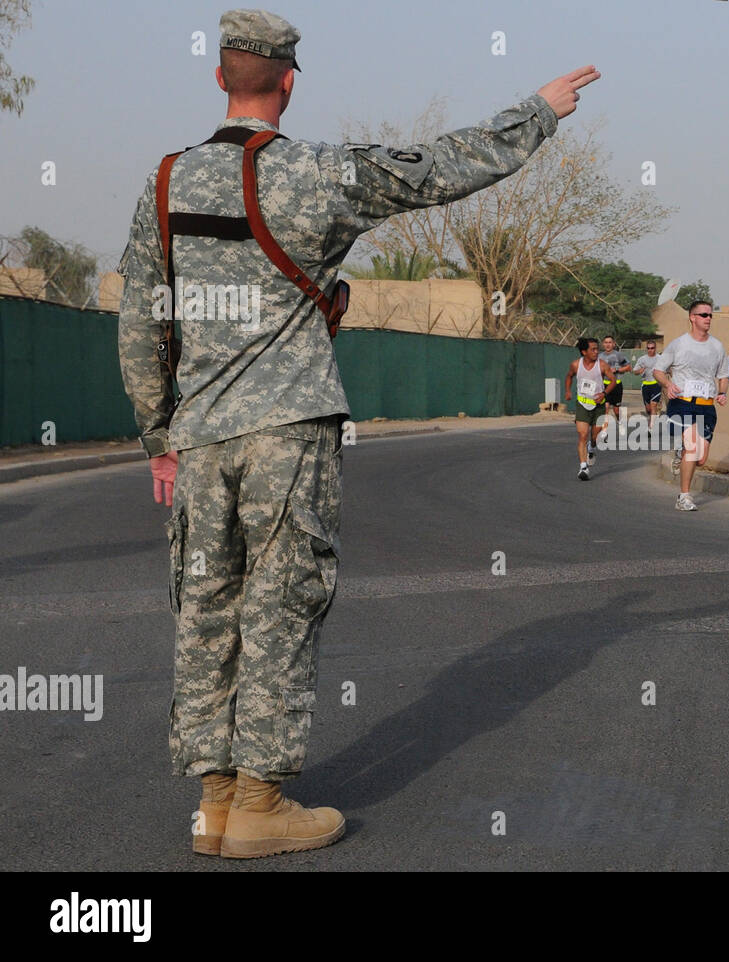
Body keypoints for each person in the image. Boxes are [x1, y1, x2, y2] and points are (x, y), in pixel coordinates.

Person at [117, 7, 598, 858]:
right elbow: (440, 168)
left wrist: (159, 436)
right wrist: (538, 109)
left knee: (205, 611)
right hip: (288, 428)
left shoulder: (164, 182)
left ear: (219, 78)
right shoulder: (321, 175)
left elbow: (141, 324)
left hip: (198, 437)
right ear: (289, 83)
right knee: (277, 606)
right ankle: (262, 805)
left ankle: (216, 806)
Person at [655, 301, 729, 511]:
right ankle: (684, 497)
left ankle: (680, 452)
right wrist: (668, 384)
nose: (708, 319)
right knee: (692, 448)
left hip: (706, 406)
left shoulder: (717, 346)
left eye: (710, 315)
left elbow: (723, 376)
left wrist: (722, 393)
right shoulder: (678, 344)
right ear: (692, 317)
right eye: (703, 315)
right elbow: (659, 371)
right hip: (683, 403)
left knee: (701, 459)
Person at [564, 337, 616, 480]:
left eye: (596, 348)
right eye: (592, 349)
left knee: (595, 437)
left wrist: (604, 393)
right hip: (582, 405)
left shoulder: (602, 365)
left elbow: (613, 381)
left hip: (598, 405)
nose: (596, 351)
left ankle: (591, 448)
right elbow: (569, 377)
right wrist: (568, 391)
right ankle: (583, 467)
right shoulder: (576, 365)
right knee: (582, 435)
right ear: (584, 352)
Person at [596, 335, 631, 450]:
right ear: (603, 344)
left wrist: (617, 369)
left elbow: (628, 367)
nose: (607, 344)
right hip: (605, 385)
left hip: (616, 384)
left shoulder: (618, 355)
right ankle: (605, 432)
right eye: (605, 342)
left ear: (614, 344)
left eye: (610, 342)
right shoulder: (599, 356)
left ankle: (620, 421)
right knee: (605, 408)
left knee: (616, 410)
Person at [631, 339, 662, 427]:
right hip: (646, 385)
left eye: (652, 348)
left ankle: (651, 427)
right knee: (648, 409)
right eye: (648, 348)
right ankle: (652, 417)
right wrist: (640, 370)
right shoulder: (642, 359)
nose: (650, 350)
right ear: (646, 349)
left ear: (655, 348)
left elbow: (666, 369)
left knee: (653, 404)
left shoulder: (660, 358)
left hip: (656, 384)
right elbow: (635, 371)